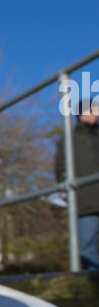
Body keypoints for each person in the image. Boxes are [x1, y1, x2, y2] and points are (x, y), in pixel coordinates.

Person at [56, 98, 99, 271]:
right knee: (86, 249)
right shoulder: (69, 139)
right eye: (93, 110)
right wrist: (66, 189)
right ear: (81, 113)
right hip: (85, 201)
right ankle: (92, 287)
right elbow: (60, 168)